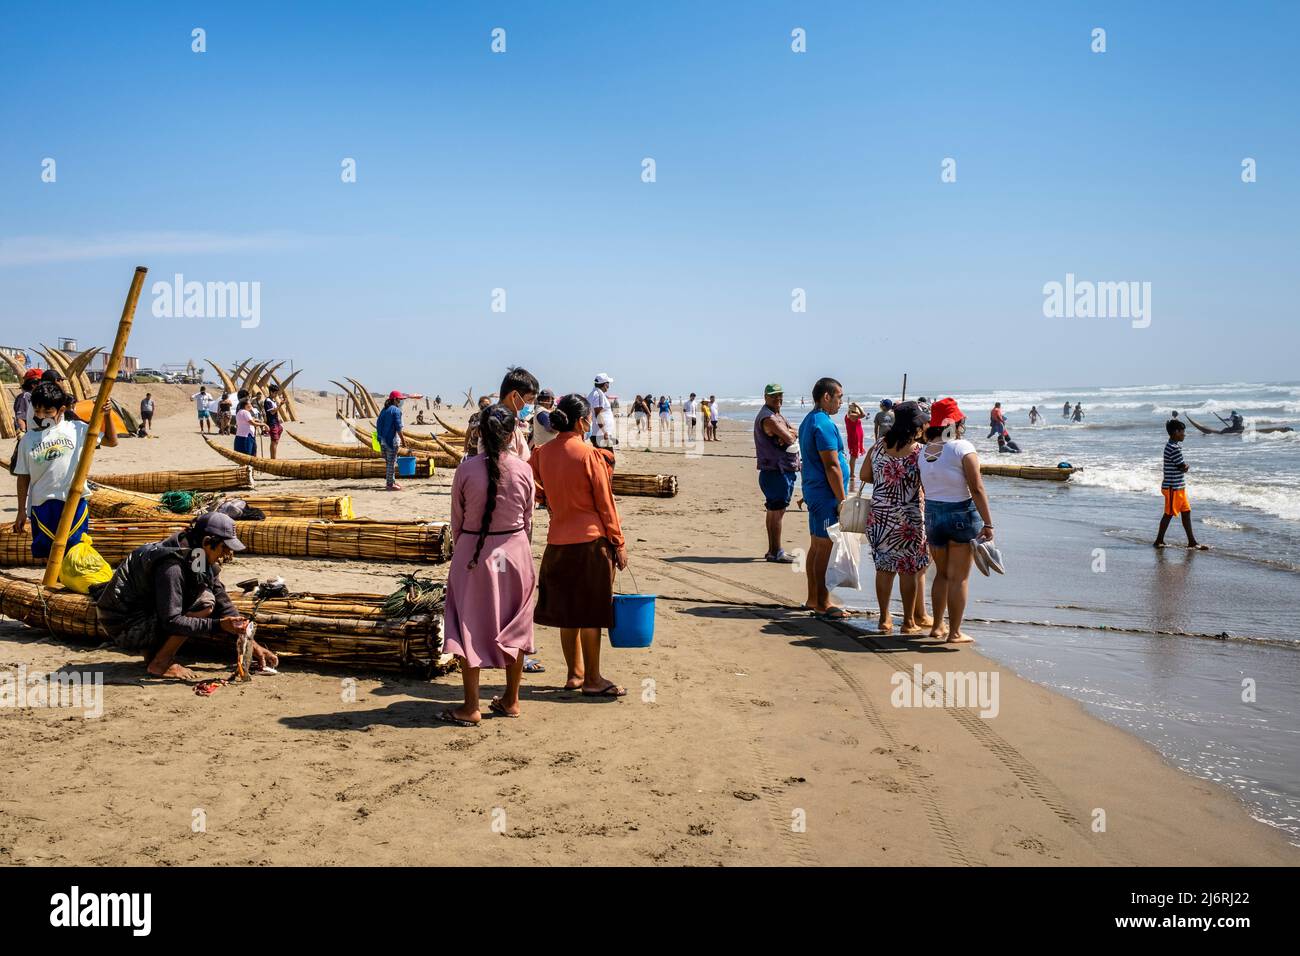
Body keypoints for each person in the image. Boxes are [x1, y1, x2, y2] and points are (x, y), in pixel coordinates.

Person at [438, 405, 537, 725]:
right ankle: (511, 699)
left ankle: (470, 706)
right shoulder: (524, 469)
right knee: (515, 624)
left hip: (472, 554)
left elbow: (457, 520)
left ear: (479, 433)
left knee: (468, 623)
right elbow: (528, 520)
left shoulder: (465, 470)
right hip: (514, 552)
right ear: (511, 436)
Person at [96, 513, 278, 681]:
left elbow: (221, 598)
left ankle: (156, 654)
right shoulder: (172, 566)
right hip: (125, 625)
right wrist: (218, 625)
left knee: (208, 597)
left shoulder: (196, 554)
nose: (228, 554)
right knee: (204, 603)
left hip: (142, 613)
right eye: (225, 547)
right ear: (208, 542)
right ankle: (160, 663)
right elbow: (172, 620)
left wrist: (250, 643)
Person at [530, 393, 628, 697]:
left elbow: (533, 486)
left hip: (557, 542)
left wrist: (548, 500)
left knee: (566, 611)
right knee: (591, 613)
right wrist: (619, 542)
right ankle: (593, 679)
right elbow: (605, 504)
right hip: (590, 543)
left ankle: (575, 674)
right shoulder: (589, 455)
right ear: (582, 421)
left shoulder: (542, 453)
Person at [918, 398, 994, 644]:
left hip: (932, 514)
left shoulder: (925, 451)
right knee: (959, 577)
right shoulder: (962, 447)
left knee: (941, 573)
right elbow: (977, 487)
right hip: (961, 513)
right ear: (955, 422)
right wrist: (988, 523)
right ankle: (955, 632)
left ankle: (937, 627)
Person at [861, 401, 931, 634]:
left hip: (880, 516)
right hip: (909, 518)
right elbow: (929, 484)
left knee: (884, 567)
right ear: (915, 426)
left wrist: (885, 481)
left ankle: (884, 618)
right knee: (908, 569)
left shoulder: (879, 446)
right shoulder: (919, 453)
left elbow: (864, 475)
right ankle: (909, 622)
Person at [11, 381, 91, 558]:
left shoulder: (76, 429)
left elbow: (111, 441)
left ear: (61, 410)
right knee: (49, 554)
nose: (41, 416)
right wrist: (21, 510)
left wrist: (106, 415)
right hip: (42, 503)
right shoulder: (28, 439)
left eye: (48, 412)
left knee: (75, 551)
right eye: (38, 411)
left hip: (74, 500)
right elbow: (23, 477)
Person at [797, 377, 850, 618]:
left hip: (815, 491)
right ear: (826, 397)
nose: (841, 402)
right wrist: (842, 499)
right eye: (839, 397)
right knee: (825, 547)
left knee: (817, 546)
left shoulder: (810, 420)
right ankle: (822, 602)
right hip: (825, 493)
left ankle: (812, 598)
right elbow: (832, 466)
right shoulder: (823, 424)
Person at [754, 383, 800, 563]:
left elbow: (794, 432)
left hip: (779, 470)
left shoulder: (776, 414)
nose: (778, 399)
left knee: (775, 510)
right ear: (765, 397)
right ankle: (776, 551)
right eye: (773, 396)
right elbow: (789, 438)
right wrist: (788, 435)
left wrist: (789, 434)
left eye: (780, 395)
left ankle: (773, 551)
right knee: (777, 511)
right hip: (775, 471)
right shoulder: (769, 418)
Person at [1155, 418, 1208, 550]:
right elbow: (1182, 467)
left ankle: (1192, 542)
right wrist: (1186, 467)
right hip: (1173, 486)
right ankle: (1159, 540)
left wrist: (1183, 467)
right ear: (1175, 432)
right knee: (1168, 513)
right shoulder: (1174, 448)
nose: (1184, 434)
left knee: (1186, 512)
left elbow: (1181, 466)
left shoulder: (1173, 446)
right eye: (1182, 432)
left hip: (1178, 487)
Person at [489, 367, 538, 460]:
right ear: (514, 396)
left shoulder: (510, 423)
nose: (531, 405)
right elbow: (508, 467)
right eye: (530, 400)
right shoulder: (501, 426)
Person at [376, 391, 406, 491]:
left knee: (389, 462)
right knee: (391, 463)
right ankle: (389, 484)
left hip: (383, 441)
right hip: (392, 441)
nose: (401, 401)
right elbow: (398, 428)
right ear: (395, 399)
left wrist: (380, 439)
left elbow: (378, 425)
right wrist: (404, 441)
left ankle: (391, 481)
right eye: (400, 399)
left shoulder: (384, 410)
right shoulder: (396, 411)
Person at [587, 373, 617, 450]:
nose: (609, 385)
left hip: (598, 433)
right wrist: (605, 432)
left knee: (601, 459)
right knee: (609, 460)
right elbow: (598, 414)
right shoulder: (599, 394)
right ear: (605, 384)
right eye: (608, 383)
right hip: (600, 434)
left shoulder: (592, 393)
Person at [845, 402, 866, 489]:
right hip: (854, 438)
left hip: (855, 437)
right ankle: (852, 473)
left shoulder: (850, 415)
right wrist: (858, 405)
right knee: (853, 456)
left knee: (854, 455)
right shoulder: (852, 416)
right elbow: (863, 415)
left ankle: (852, 473)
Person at [262, 384, 284, 459]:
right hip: (272, 423)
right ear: (271, 392)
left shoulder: (273, 401)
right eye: (275, 393)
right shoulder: (268, 401)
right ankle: (273, 459)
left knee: (276, 440)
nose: (276, 395)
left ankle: (274, 457)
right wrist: (280, 405)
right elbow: (272, 412)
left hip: (276, 422)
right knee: (274, 441)